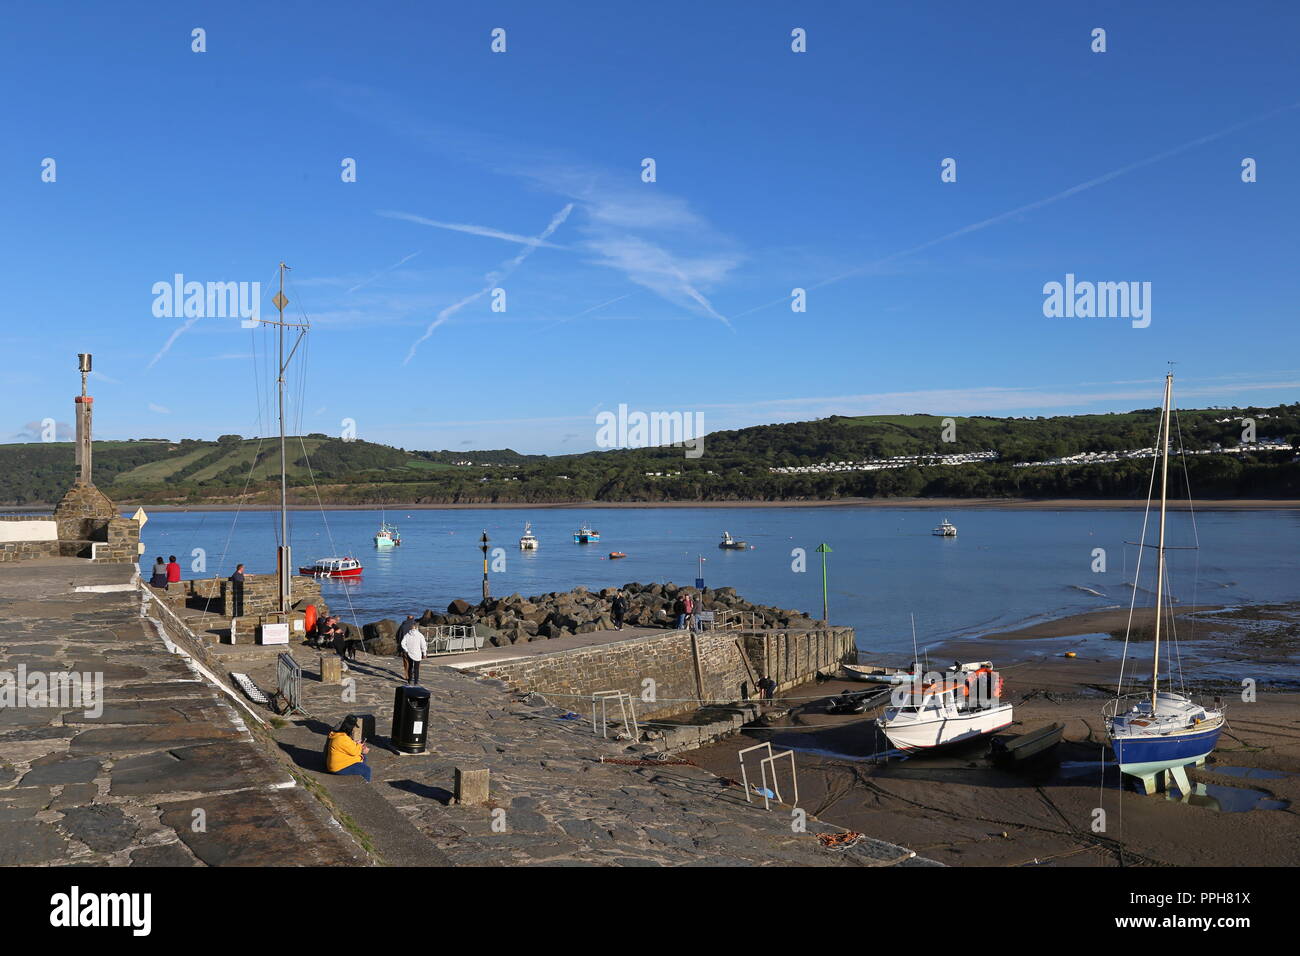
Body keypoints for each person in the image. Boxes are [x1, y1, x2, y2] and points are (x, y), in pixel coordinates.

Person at [325, 715, 371, 782]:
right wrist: (361, 748)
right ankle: (364, 784)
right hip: (338, 767)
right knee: (366, 770)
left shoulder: (339, 734)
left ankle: (359, 778)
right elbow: (354, 752)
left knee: (363, 759)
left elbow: (347, 746)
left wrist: (357, 744)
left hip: (337, 763)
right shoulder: (342, 739)